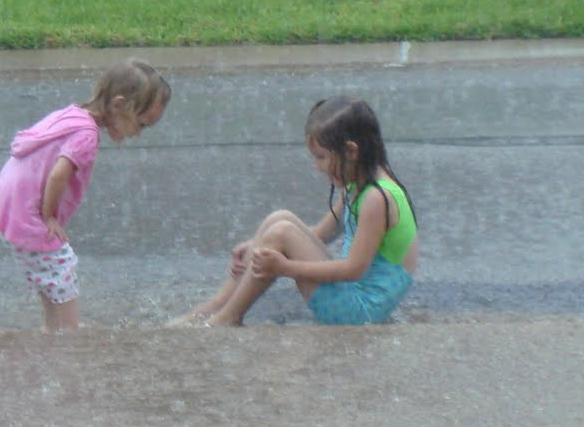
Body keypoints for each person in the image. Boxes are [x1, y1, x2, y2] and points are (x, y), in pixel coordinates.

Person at [172, 96, 417, 327]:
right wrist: (257, 244)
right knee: (279, 219)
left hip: (361, 313)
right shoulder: (359, 185)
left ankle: (227, 318)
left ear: (352, 151)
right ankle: (220, 304)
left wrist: (284, 268)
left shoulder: (377, 197)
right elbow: (320, 234)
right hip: (353, 297)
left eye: (322, 157)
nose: (317, 167)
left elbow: (353, 270)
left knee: (283, 232)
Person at [0, 58, 170, 332]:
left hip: (11, 202)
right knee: (61, 265)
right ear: (118, 105)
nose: (138, 134)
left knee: (48, 271)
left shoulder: (71, 114)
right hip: (29, 211)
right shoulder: (86, 135)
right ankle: (69, 329)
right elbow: (59, 174)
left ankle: (53, 325)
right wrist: (48, 216)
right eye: (141, 124)